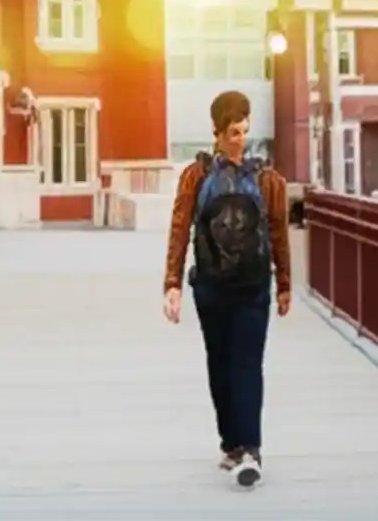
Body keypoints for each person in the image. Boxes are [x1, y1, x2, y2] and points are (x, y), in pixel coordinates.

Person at [163, 90, 291, 489]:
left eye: (244, 131)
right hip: (211, 288)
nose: (240, 140)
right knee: (219, 363)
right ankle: (231, 444)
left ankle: (250, 449)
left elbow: (278, 233)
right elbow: (180, 227)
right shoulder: (195, 176)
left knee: (247, 364)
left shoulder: (268, 180)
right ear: (216, 133)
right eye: (232, 132)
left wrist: (285, 283)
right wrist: (172, 284)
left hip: (254, 286)